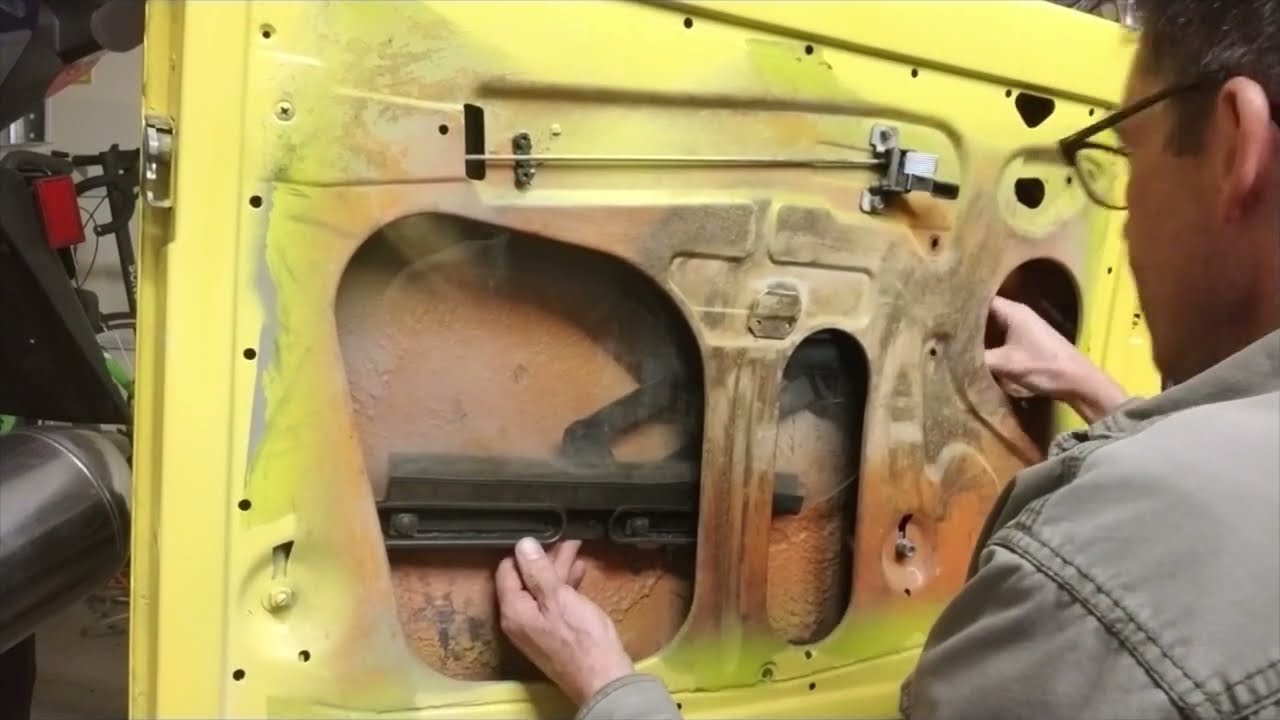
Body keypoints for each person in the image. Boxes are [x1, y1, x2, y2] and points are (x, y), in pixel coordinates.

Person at [494, 0, 1280, 717]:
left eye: (1131, 162)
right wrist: (1095, 390)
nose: (1129, 225)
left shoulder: (1103, 586)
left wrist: (608, 684)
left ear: (1236, 146)